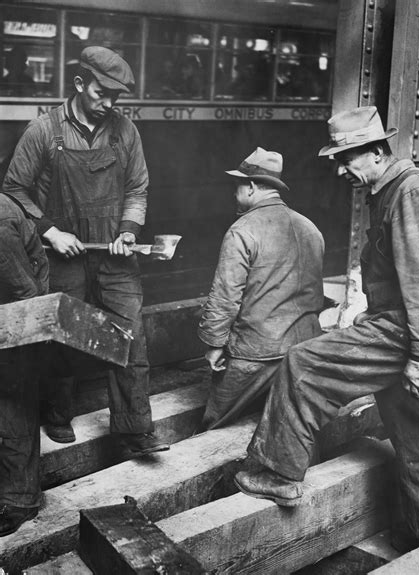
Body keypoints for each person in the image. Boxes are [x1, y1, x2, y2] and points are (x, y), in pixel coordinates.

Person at [234, 106, 419, 553]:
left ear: (378, 152)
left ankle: (273, 474)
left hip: (411, 335)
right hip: (410, 330)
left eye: (348, 159)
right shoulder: (393, 190)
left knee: (303, 364)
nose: (341, 170)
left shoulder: (411, 193)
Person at [3, 46, 168, 456]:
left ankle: (133, 429)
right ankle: (57, 413)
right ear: (79, 84)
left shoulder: (125, 131)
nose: (108, 104)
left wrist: (129, 230)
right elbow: (13, 190)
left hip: (114, 256)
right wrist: (49, 230)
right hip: (63, 254)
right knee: (63, 336)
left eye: (116, 97)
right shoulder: (43, 131)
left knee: (129, 335)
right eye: (101, 93)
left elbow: (137, 188)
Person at [198, 147, 325, 430]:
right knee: (294, 428)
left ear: (252, 186)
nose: (235, 193)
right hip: (303, 348)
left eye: (238, 186)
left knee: (214, 426)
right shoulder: (310, 228)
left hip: (255, 351)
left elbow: (225, 297)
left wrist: (214, 344)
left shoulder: (242, 230)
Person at [0, 192, 49, 536]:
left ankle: (21, 499)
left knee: (13, 404)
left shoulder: (0, 226)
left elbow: (25, 292)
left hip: (18, 313)